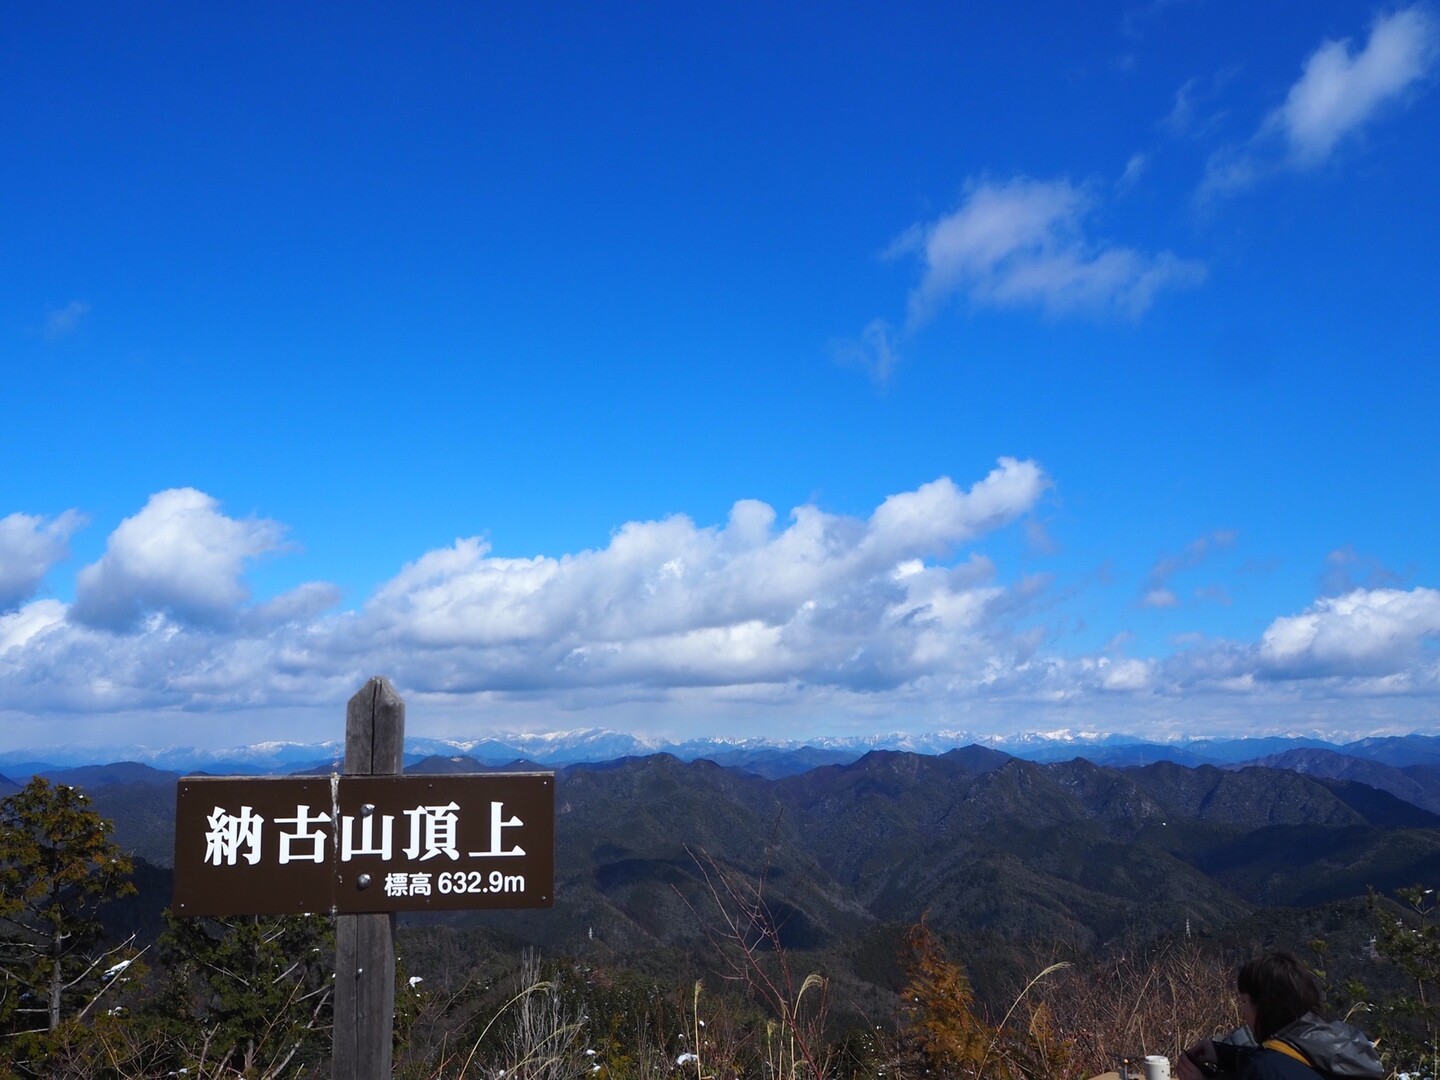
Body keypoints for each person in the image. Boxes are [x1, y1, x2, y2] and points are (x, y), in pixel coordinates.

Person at [1177, 951, 1382, 1080]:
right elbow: (1291, 1062)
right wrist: (1221, 1053)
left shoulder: (1264, 1069)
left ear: (1265, 1006)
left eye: (1244, 1002)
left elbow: (1272, 1067)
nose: (1242, 1011)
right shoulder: (1345, 1040)